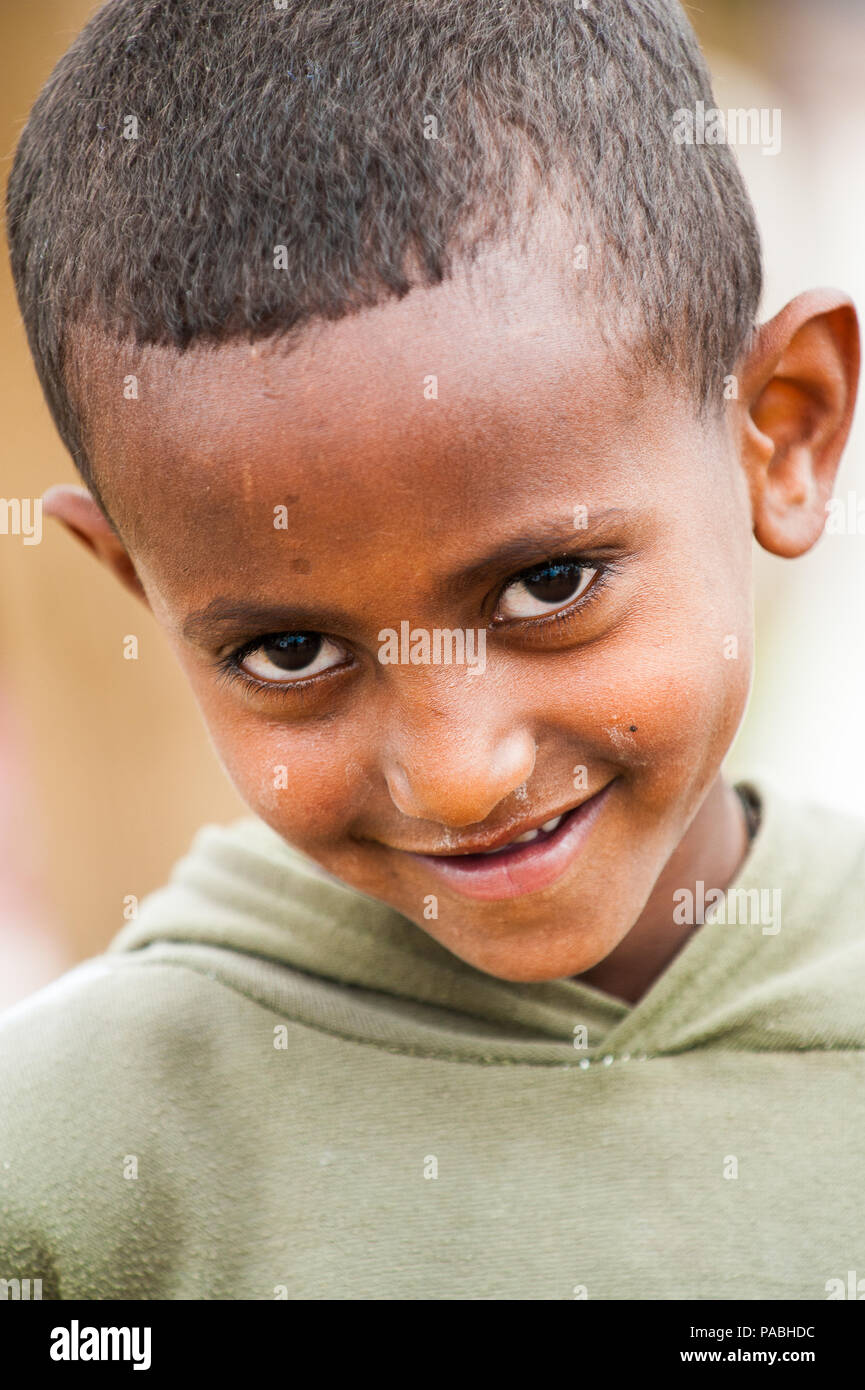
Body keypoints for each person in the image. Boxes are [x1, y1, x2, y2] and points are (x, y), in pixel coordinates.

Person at [1, 0, 861, 1300]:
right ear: (138, 584)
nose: (456, 775)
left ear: (779, 435)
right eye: (290, 650)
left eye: (548, 583)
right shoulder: (78, 1154)